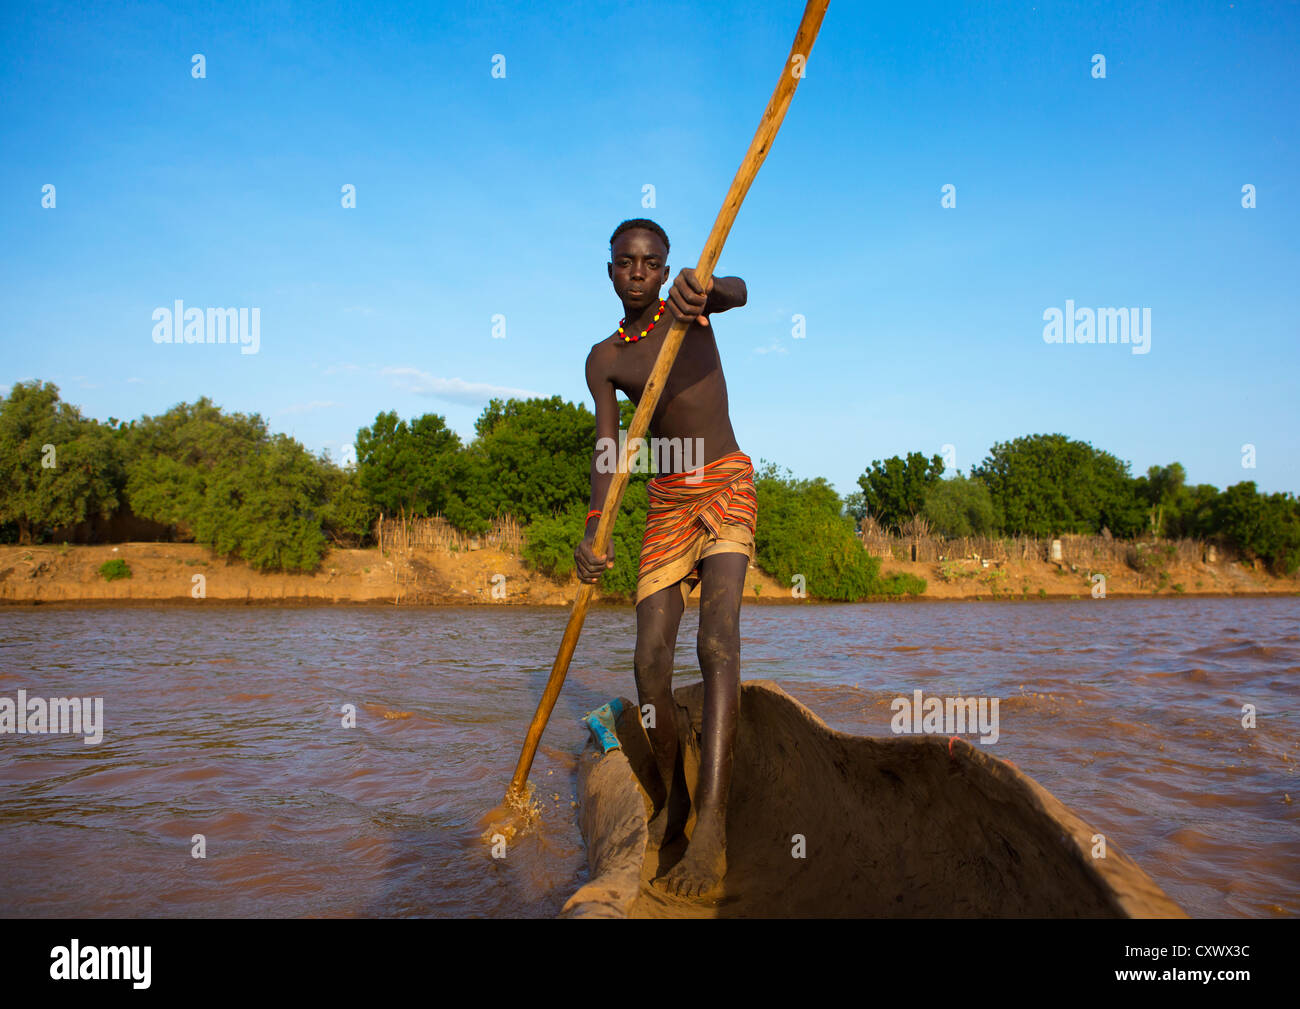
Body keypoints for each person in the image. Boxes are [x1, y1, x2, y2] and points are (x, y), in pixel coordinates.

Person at [574, 217, 754, 899]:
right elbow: (608, 452)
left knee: (716, 642)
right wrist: (596, 528)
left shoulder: (694, 305)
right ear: (612, 270)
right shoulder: (606, 358)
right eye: (627, 262)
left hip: (727, 482)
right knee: (649, 662)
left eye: (652, 260)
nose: (640, 271)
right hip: (667, 499)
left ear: (668, 264)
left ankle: (710, 829)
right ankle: (671, 795)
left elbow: (740, 290)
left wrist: (707, 288)